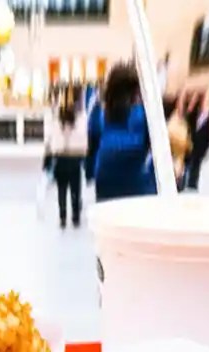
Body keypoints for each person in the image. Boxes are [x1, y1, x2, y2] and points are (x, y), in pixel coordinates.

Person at [86, 63, 155, 200]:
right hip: (137, 180)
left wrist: (89, 173)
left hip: (105, 179)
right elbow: (153, 145)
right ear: (136, 90)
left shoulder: (99, 112)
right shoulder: (144, 114)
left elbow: (92, 145)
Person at [45, 101, 87, 228]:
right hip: (74, 160)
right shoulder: (78, 127)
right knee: (76, 190)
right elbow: (84, 145)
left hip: (60, 161)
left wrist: (47, 161)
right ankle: (75, 216)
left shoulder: (57, 127)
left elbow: (50, 144)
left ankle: (62, 216)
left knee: (61, 190)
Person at [183, 93, 209, 191]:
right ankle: (183, 183)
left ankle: (193, 185)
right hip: (190, 144)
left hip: (200, 147)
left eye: (207, 103)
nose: (204, 105)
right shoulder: (195, 113)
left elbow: (208, 136)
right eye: (204, 102)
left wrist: (206, 149)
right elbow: (189, 120)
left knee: (196, 167)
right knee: (186, 164)